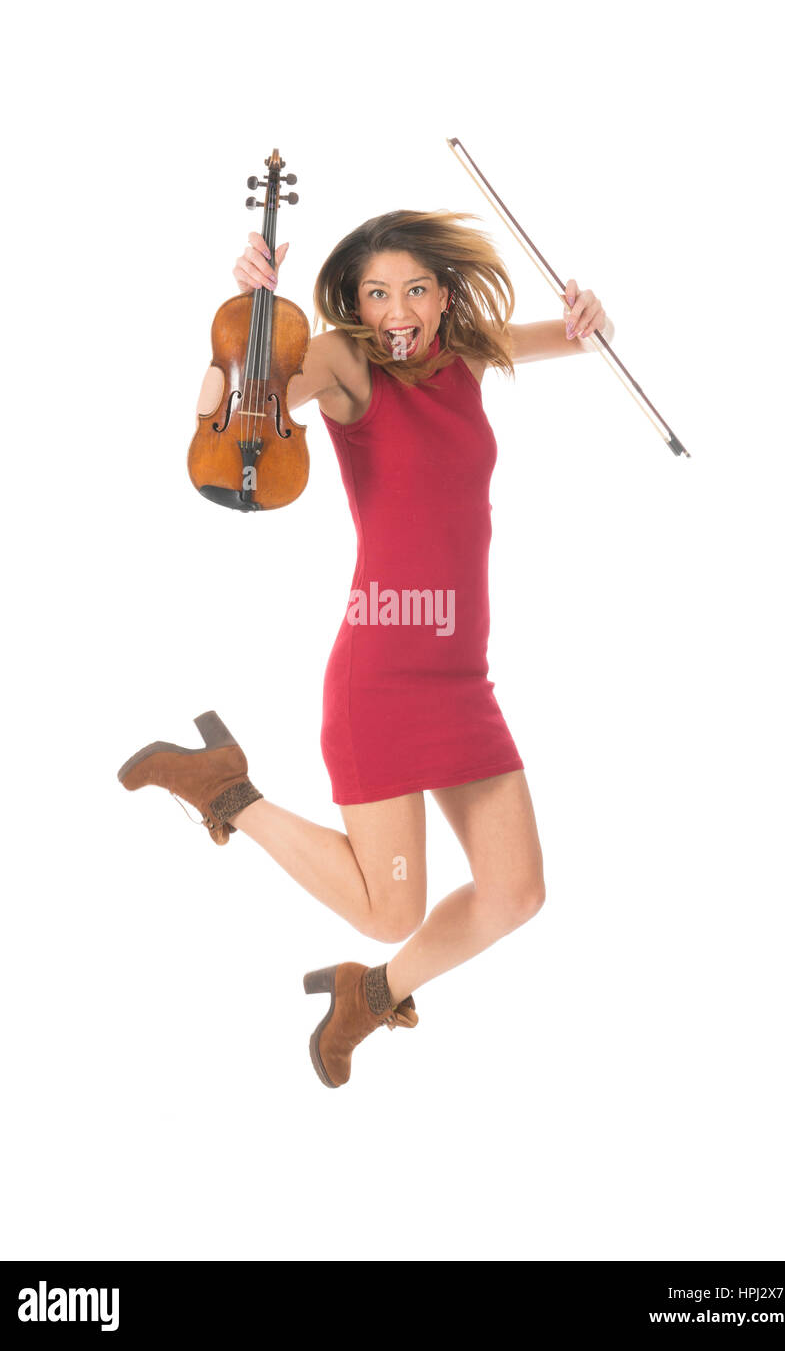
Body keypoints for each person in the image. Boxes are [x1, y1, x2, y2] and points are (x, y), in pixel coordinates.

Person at [118, 209, 613, 1088]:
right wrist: (254, 319)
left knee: (516, 894)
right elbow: (260, 396)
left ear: (443, 296)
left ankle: (369, 998)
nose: (396, 310)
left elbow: (576, 338)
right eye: (375, 293)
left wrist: (591, 319)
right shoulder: (347, 364)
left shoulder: (465, 351)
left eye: (414, 290)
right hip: (382, 673)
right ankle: (223, 787)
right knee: (391, 909)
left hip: (463, 676)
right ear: (352, 303)